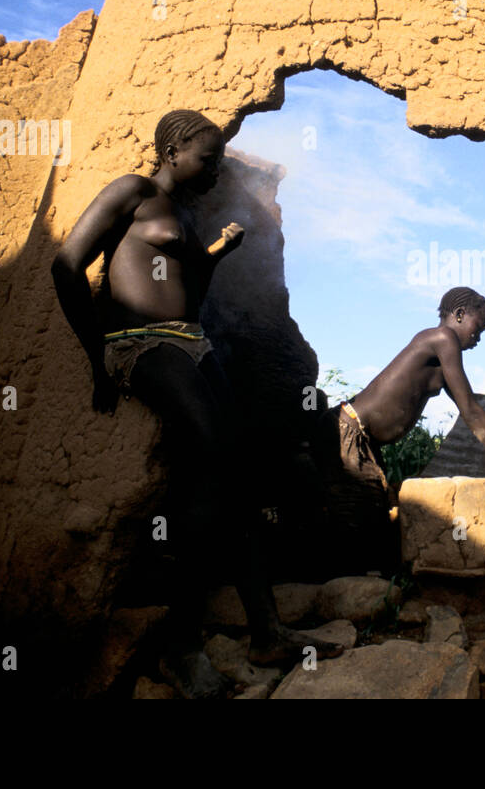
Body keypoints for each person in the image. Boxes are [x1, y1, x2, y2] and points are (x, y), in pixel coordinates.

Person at [51, 109, 339, 698]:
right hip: (141, 345)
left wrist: (216, 253)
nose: (214, 170)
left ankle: (266, 631)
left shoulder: (181, 214)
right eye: (207, 158)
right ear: (173, 150)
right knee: (213, 459)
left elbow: (191, 292)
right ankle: (180, 647)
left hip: (191, 343)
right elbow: (66, 264)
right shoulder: (131, 191)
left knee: (238, 473)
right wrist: (97, 358)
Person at [315, 287, 485, 573]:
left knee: (371, 520)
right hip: (348, 432)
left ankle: (360, 590)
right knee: (359, 519)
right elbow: (473, 412)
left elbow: (472, 413)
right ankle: (341, 594)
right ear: (460, 315)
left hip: (363, 441)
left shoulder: (441, 358)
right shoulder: (442, 338)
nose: (478, 339)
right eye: (478, 329)